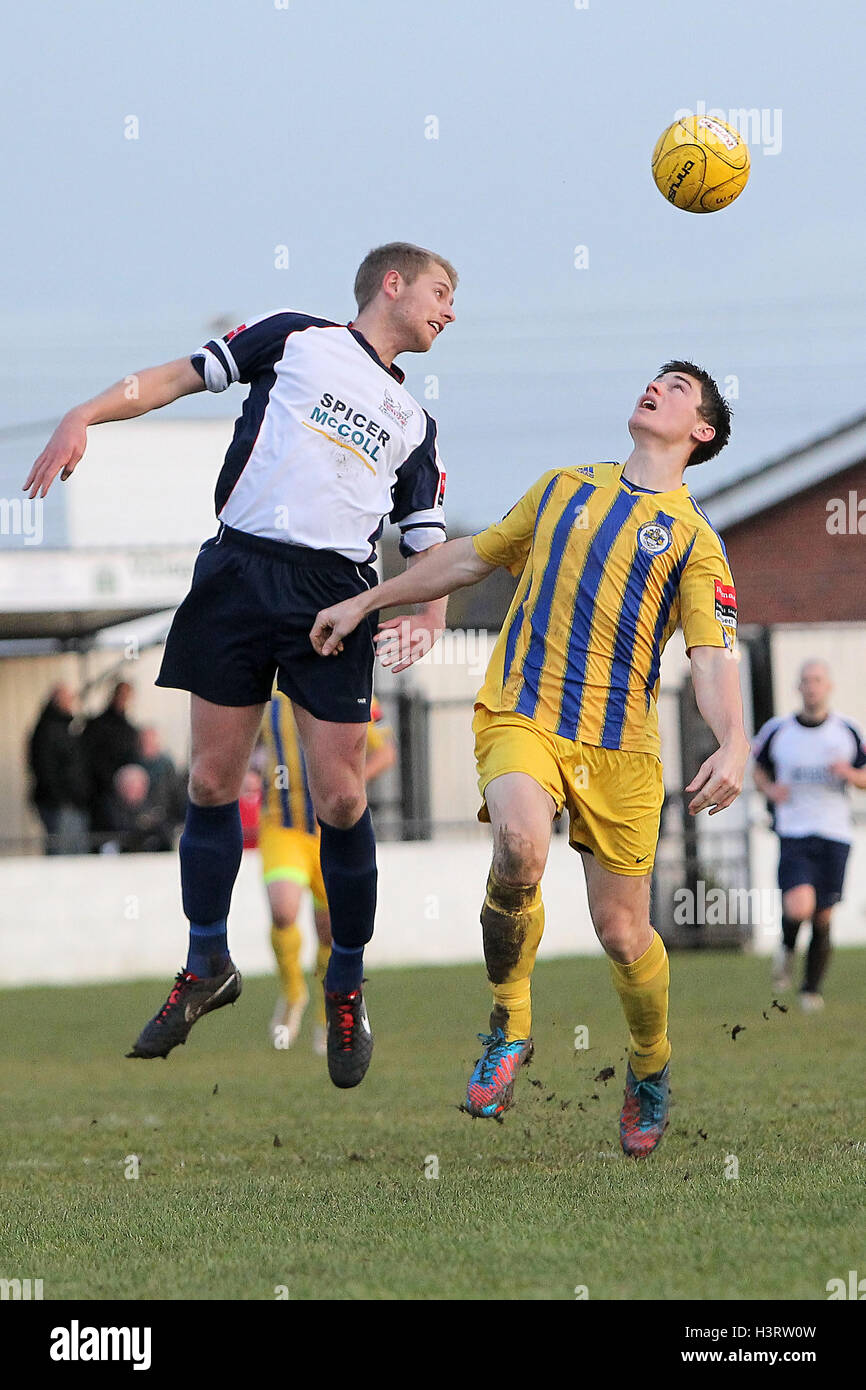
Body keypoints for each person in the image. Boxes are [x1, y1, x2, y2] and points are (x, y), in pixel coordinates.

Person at [25, 242, 456, 1087]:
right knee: (212, 784)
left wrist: (431, 609)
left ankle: (345, 981)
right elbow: (181, 377)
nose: (451, 311)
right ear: (392, 285)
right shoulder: (298, 337)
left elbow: (427, 538)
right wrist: (87, 411)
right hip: (236, 569)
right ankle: (207, 963)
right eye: (443, 292)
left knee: (341, 794)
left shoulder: (416, 423)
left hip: (333, 595)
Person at [312, 361, 749, 1157]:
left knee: (623, 934)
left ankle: (650, 1067)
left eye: (678, 388)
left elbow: (713, 657)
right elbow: (473, 555)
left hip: (622, 750)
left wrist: (735, 738)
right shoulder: (562, 487)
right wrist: (371, 598)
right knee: (520, 845)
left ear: (702, 432)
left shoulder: (695, 540)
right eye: (654, 378)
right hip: (523, 712)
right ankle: (509, 1025)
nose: (655, 387)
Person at [259, 691, 396, 1054]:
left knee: (329, 933)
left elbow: (386, 751)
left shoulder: (353, 686)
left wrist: (347, 785)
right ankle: (292, 993)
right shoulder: (264, 689)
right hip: (282, 826)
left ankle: (326, 1017)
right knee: (283, 909)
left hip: (331, 830)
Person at [752, 660, 866, 1011]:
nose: (812, 686)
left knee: (823, 915)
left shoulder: (847, 731)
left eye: (817, 680)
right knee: (799, 905)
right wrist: (770, 791)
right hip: (794, 831)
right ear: (798, 688)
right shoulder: (779, 730)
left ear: (828, 685)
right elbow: (756, 768)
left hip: (835, 833)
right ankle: (786, 949)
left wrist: (849, 773)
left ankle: (809, 990)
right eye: (805, 681)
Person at [27, 684, 90, 854]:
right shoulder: (48, 730)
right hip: (59, 804)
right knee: (62, 851)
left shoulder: (64, 728)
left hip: (72, 802)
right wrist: (62, 798)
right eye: (68, 699)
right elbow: (45, 769)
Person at [80, 682, 141, 843]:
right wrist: (111, 780)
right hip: (101, 793)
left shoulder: (128, 728)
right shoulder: (98, 726)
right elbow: (91, 760)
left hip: (121, 795)